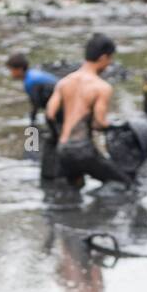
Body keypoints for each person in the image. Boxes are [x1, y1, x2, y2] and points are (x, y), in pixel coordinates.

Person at [45, 33, 134, 188]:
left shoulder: (64, 82)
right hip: (83, 151)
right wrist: (115, 127)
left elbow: (50, 114)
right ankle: (101, 210)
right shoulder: (102, 87)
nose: (109, 63)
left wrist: (58, 136)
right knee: (122, 183)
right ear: (103, 58)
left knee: (74, 189)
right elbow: (99, 123)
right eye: (110, 59)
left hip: (63, 150)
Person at [6, 52, 59, 124]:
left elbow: (35, 103)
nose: (11, 73)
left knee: (49, 118)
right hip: (58, 94)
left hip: (60, 99)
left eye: (11, 70)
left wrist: (32, 119)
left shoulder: (30, 82)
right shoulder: (32, 73)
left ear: (19, 69)